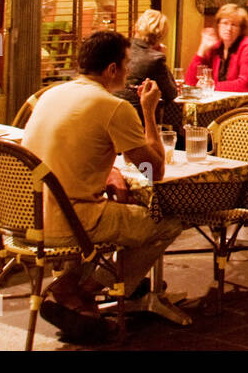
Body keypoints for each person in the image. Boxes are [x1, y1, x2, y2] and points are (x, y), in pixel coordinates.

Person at [22, 31, 182, 341]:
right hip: (73, 221)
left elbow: (68, 146)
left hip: (29, 216)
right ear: (112, 70)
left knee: (115, 210)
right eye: (126, 63)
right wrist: (149, 110)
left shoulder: (51, 94)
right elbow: (154, 171)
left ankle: (81, 304)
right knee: (168, 220)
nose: (128, 70)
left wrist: (109, 169)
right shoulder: (113, 107)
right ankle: (86, 288)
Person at [185, 3, 248, 92]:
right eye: (225, 23)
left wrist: (210, 86)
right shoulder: (216, 47)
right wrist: (201, 50)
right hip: (218, 102)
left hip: (244, 104)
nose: (228, 28)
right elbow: (191, 82)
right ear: (218, 25)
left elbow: (243, 85)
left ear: (241, 29)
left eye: (234, 25)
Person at [126, 9, 181, 131]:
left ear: (136, 27)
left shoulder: (120, 47)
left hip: (112, 116)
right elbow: (171, 93)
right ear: (161, 36)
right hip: (139, 121)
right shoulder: (155, 58)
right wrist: (160, 56)